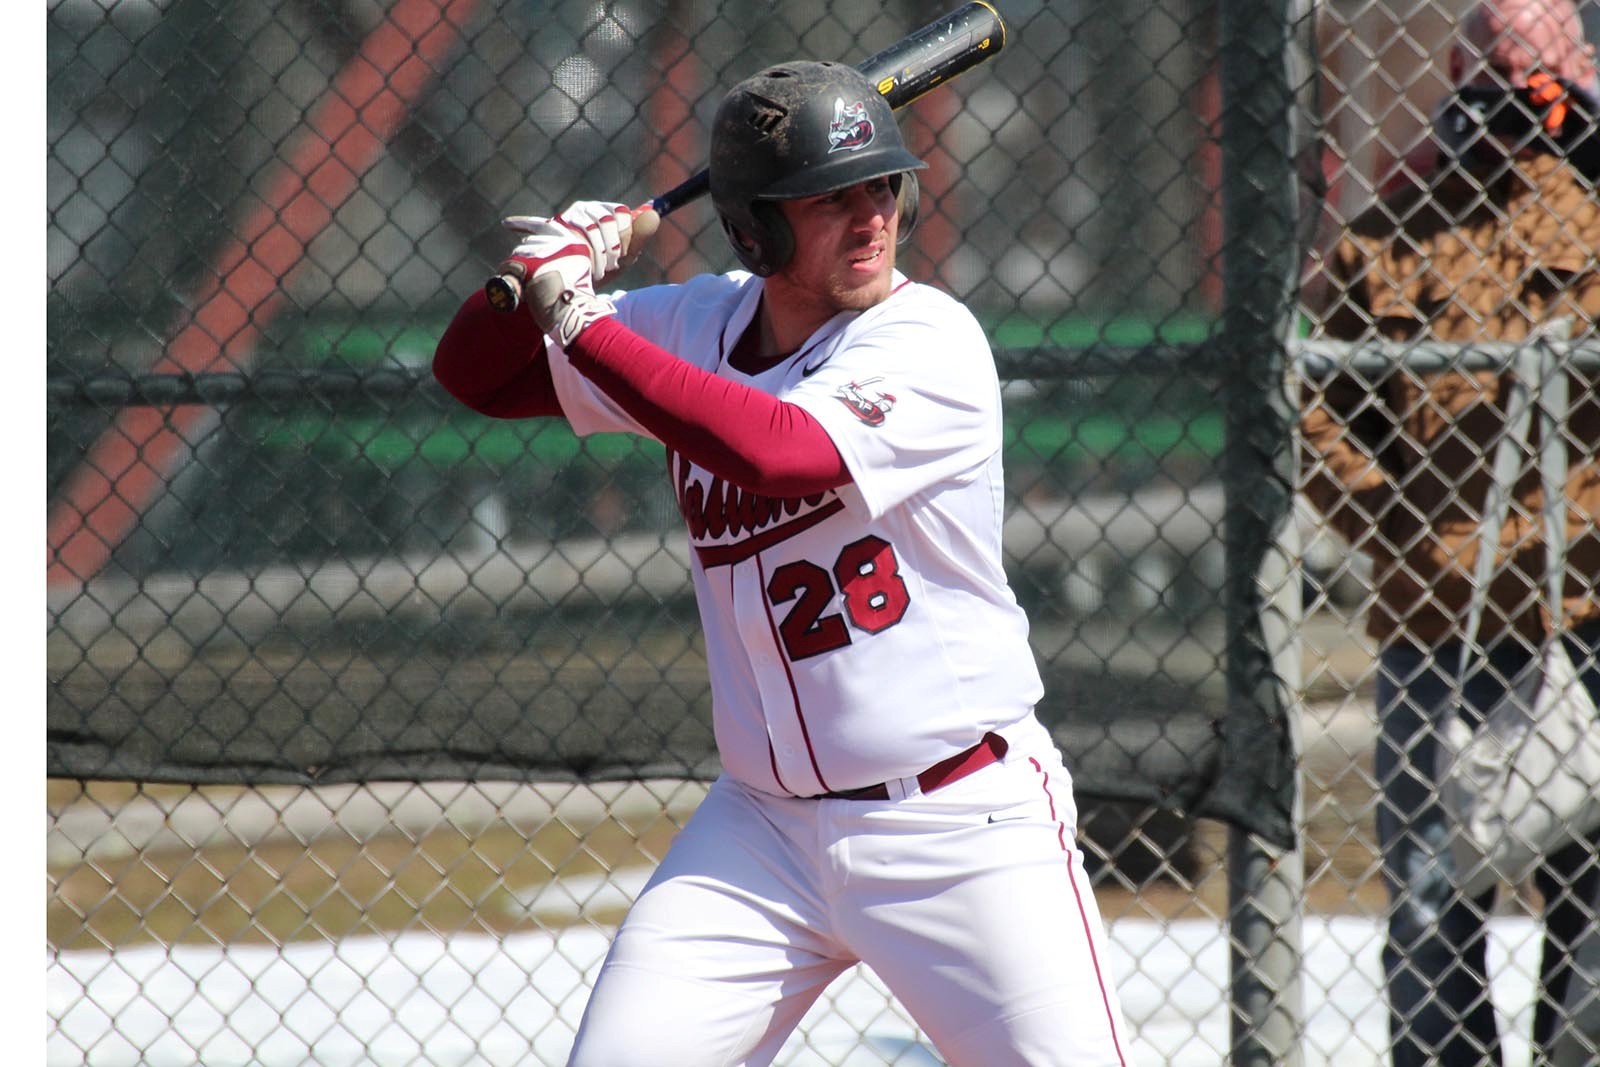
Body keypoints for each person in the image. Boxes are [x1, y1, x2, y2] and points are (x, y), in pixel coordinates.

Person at [432, 61, 1133, 1066]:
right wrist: (548, 271)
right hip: (760, 833)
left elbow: (775, 451)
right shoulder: (697, 323)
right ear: (756, 230)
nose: (871, 217)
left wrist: (578, 317)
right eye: (831, 198)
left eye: (881, 186)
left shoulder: (929, 338)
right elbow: (473, 373)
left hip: (957, 824)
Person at [1300, 1, 1600, 1064]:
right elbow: (1317, 408)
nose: (1509, 98)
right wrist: (1394, 520)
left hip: (1581, 607)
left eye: (1531, 72)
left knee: (1587, 886)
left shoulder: (1593, 220)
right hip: (1438, 620)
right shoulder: (1390, 234)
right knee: (1435, 889)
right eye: (1491, 70)